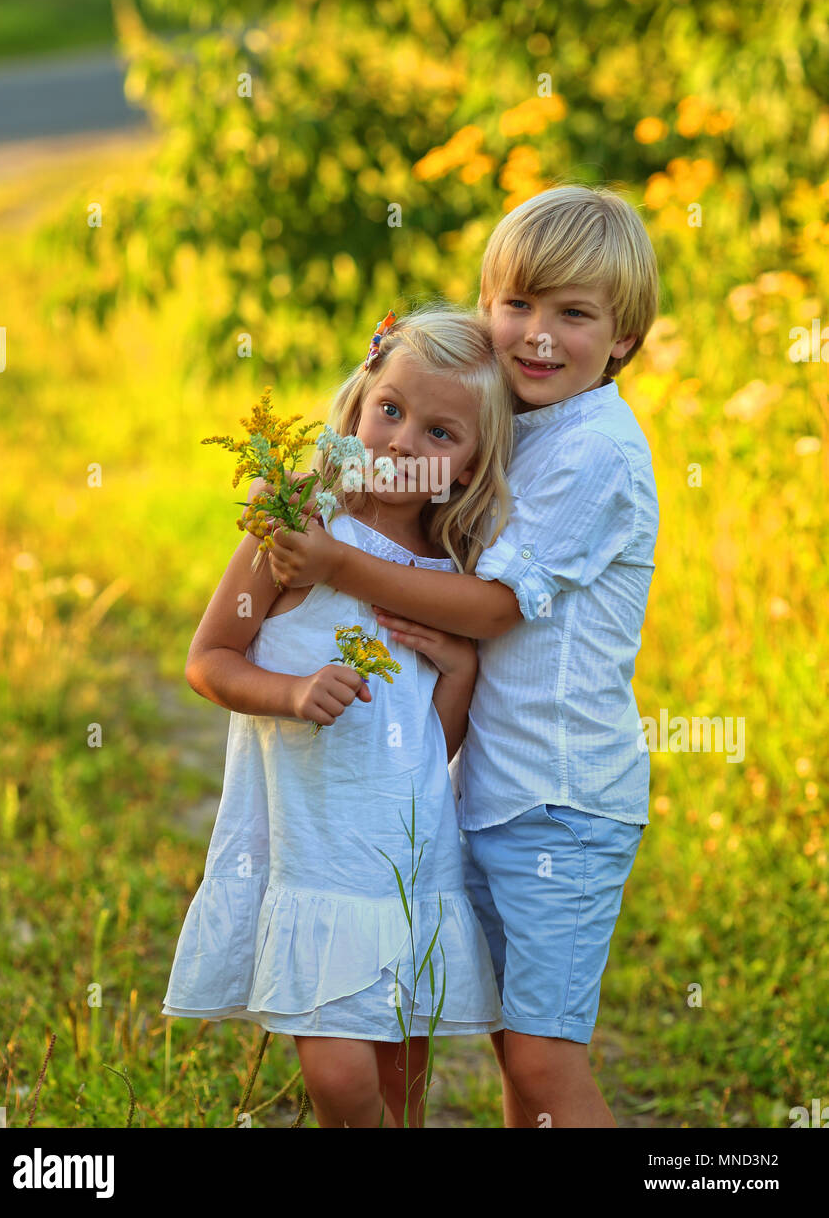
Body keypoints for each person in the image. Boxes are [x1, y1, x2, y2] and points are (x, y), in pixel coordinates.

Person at [259, 185, 660, 1128]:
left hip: (561, 799)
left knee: (543, 1057)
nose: (537, 336)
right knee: (513, 1051)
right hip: (490, 788)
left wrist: (337, 560)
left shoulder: (597, 450)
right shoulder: (516, 421)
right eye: (517, 305)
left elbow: (487, 606)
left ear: (626, 337)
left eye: (574, 315)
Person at [162, 306, 515, 1128]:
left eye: (439, 433)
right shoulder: (295, 528)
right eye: (390, 410)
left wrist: (459, 670)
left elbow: (433, 748)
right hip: (312, 854)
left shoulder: (445, 572)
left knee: (403, 1082)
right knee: (340, 1080)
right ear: (358, 404)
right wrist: (288, 694)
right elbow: (207, 660)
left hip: (404, 861)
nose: (400, 443)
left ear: (467, 468)